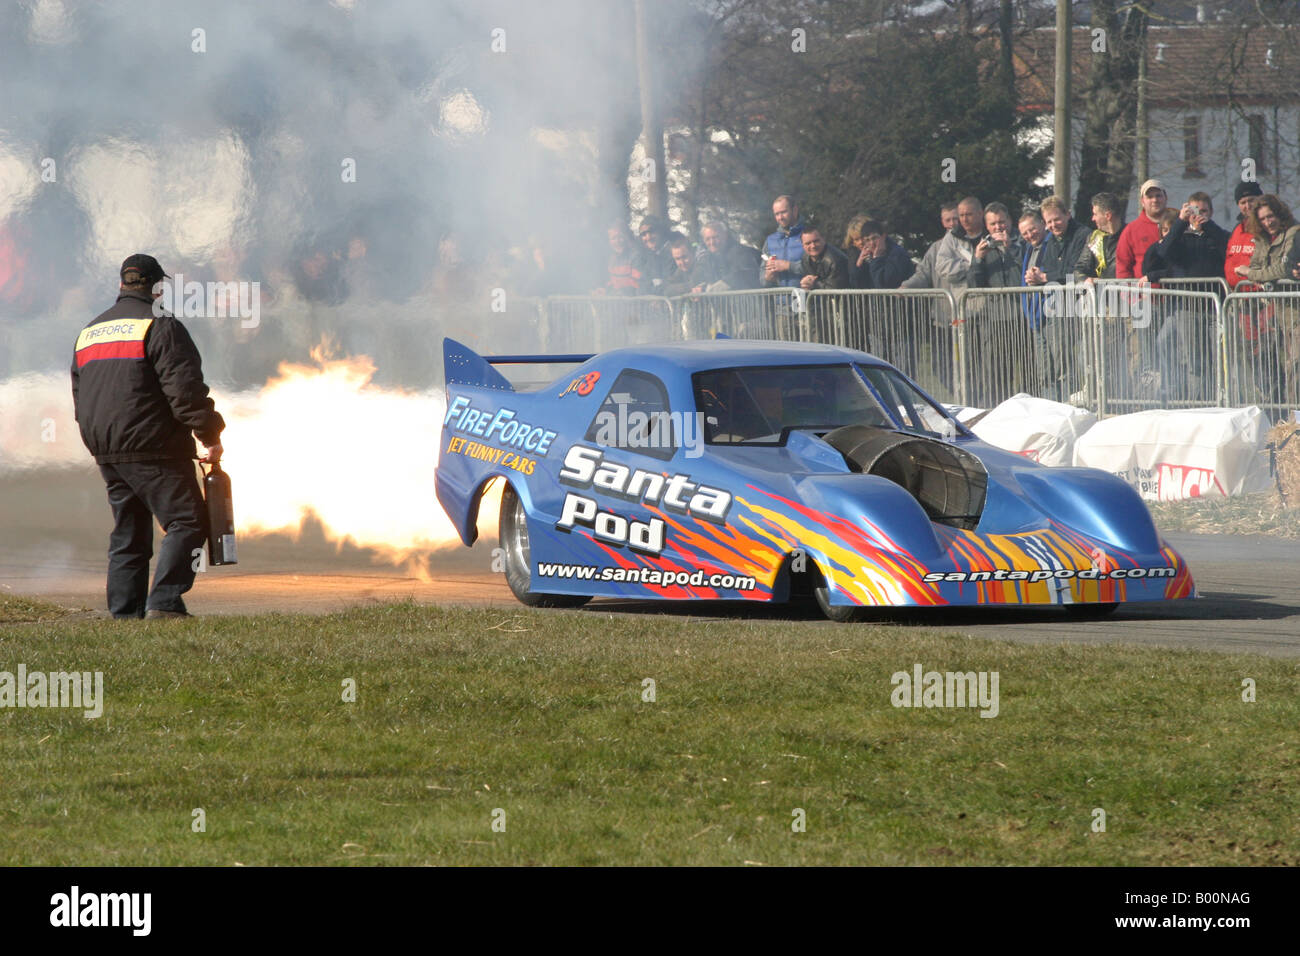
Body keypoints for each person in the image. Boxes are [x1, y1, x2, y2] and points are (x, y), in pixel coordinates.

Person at [71, 254, 225, 619]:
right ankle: (165, 603)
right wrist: (209, 432)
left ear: (121, 284)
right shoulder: (160, 325)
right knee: (188, 522)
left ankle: (125, 615)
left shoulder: (89, 331)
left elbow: (80, 396)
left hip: (107, 449)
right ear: (157, 286)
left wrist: (100, 442)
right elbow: (184, 390)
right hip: (153, 445)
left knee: (129, 535)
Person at [1028, 195, 1089, 287]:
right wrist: (1035, 276)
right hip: (1060, 298)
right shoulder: (1051, 240)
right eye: (1049, 222)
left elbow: (1077, 271)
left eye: (1057, 219)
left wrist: (1045, 277)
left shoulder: (1084, 235)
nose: (1053, 225)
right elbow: (1047, 268)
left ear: (1068, 215)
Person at [1117, 179, 1168, 279]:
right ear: (1142, 201)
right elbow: (1123, 268)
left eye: (1158, 195)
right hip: (1145, 292)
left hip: (1176, 291)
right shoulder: (1131, 230)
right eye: (1149, 197)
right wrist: (1129, 293)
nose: (1155, 200)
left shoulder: (1179, 223)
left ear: (1165, 198)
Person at [845, 216, 914, 289]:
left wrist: (877, 259)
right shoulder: (861, 256)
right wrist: (858, 266)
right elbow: (857, 286)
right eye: (867, 240)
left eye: (874, 238)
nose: (861, 242)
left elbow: (885, 284)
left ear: (883, 236)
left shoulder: (896, 254)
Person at [692, 221, 760, 292]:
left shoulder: (741, 252)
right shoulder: (706, 258)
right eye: (708, 239)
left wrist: (720, 285)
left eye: (715, 237)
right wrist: (701, 287)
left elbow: (745, 274)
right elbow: (697, 279)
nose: (712, 242)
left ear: (725, 236)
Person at [761, 195, 807, 287]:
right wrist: (767, 278)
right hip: (780, 300)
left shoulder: (809, 235)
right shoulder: (770, 240)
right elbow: (762, 274)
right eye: (777, 214)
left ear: (795, 210)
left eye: (783, 212)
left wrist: (788, 266)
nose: (780, 217)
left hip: (806, 299)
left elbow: (819, 267)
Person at [1224, 181, 1263, 290]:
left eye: (1251, 200)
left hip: (1261, 297)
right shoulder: (1237, 229)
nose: (1248, 206)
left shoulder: (1267, 227)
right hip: (1237, 296)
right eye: (1243, 202)